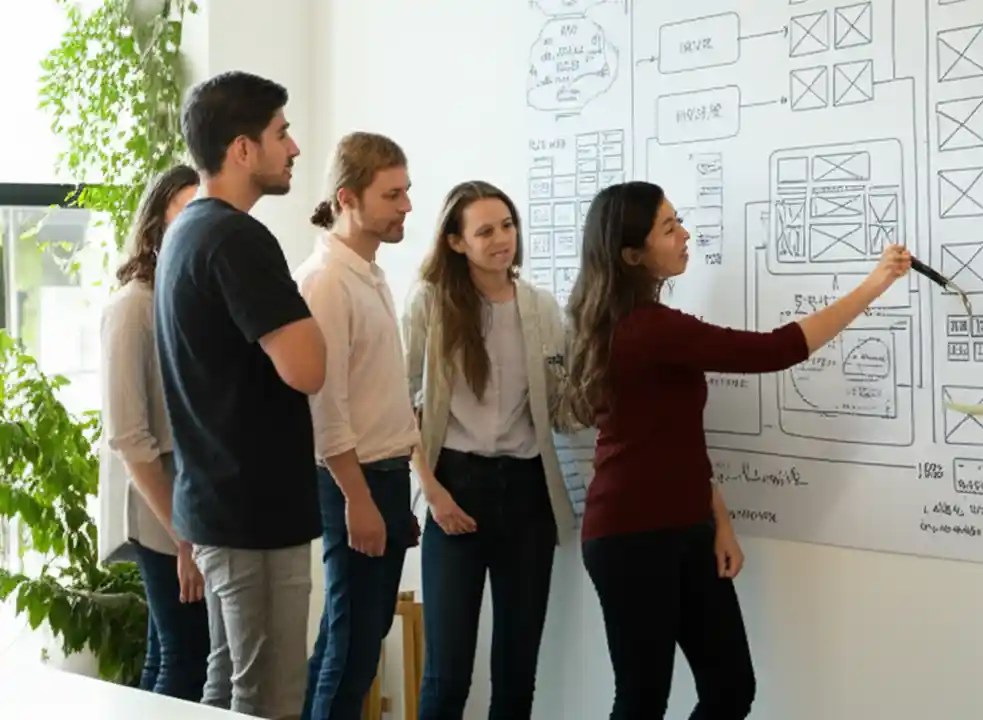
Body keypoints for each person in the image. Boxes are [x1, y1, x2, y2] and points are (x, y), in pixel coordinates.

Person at [561, 180, 912, 719]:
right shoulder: (646, 329)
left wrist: (716, 519)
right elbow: (775, 351)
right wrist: (876, 281)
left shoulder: (639, 323)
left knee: (729, 689)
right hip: (632, 539)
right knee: (641, 699)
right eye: (669, 227)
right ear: (632, 255)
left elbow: (673, 438)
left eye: (679, 220)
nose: (685, 235)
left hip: (683, 529)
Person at [154, 70, 326, 719]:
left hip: (218, 505)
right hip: (254, 513)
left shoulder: (184, 233)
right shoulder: (236, 239)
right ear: (243, 148)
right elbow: (308, 367)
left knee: (224, 695)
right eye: (282, 133)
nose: (295, 148)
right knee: (269, 701)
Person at [401, 180, 578, 720]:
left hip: (527, 495)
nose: (502, 239)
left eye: (507, 225)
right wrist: (432, 493)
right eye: (485, 230)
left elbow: (564, 410)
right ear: (456, 242)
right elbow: (399, 407)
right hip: (455, 490)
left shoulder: (542, 306)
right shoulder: (430, 303)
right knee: (447, 674)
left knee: (516, 671)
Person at [294, 132, 421, 720]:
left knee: (350, 645)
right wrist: (357, 499)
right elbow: (325, 404)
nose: (406, 207)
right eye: (392, 195)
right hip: (357, 478)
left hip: (384, 474)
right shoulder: (326, 281)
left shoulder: (367, 272)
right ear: (348, 197)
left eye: (406, 192)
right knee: (353, 649)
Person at [99, 164, 221, 703]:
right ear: (155, 223)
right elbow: (129, 437)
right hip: (158, 505)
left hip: (184, 500)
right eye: (186, 210)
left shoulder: (181, 300)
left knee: (168, 657)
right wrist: (184, 537)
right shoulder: (133, 307)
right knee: (186, 658)